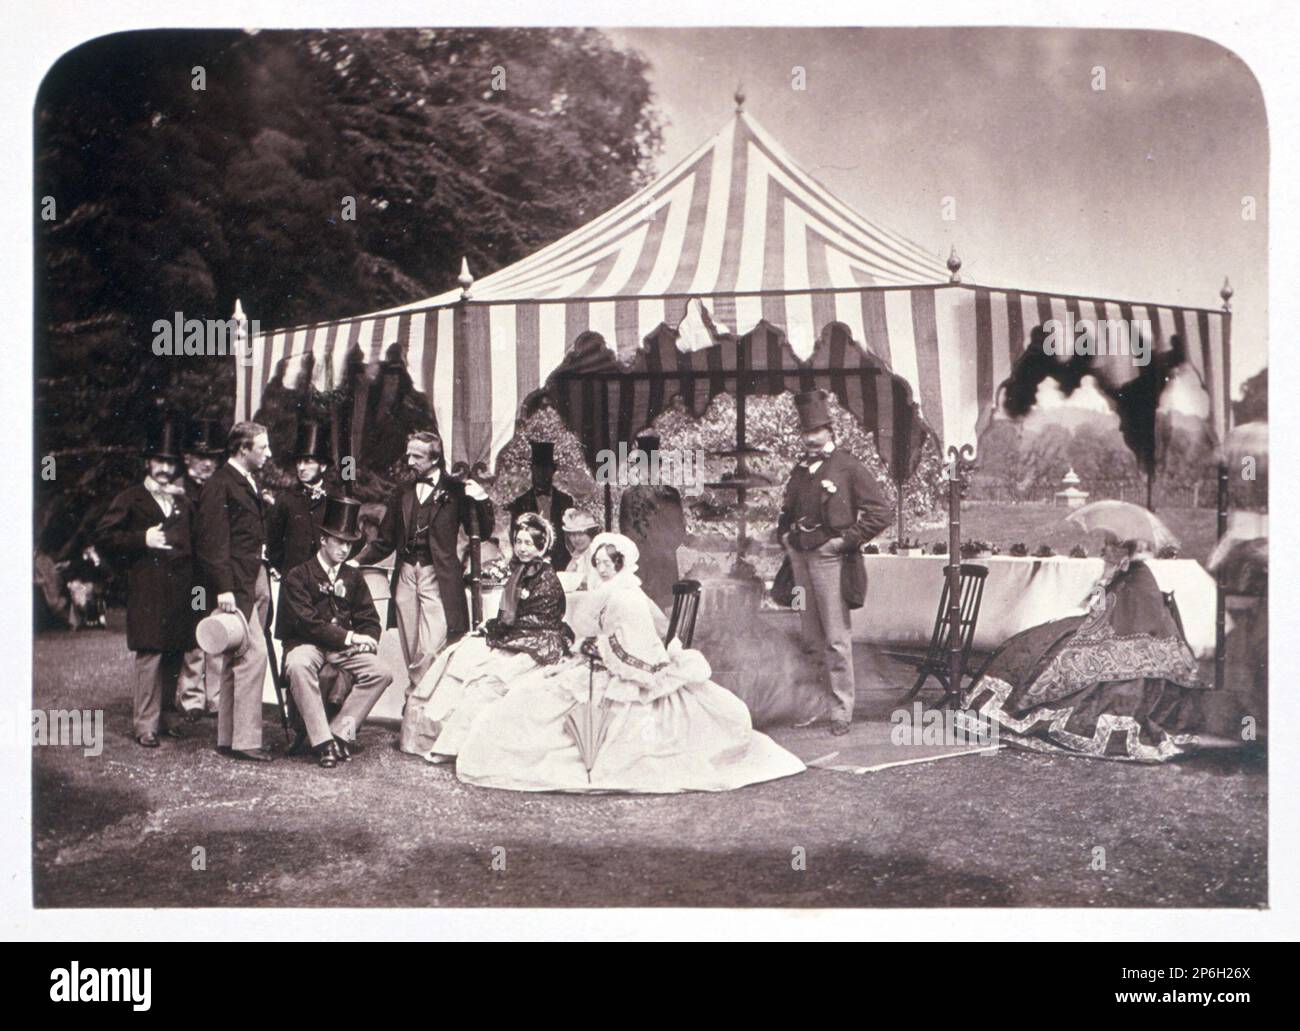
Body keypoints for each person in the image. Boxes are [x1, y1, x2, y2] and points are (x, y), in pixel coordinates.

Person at [453, 533, 806, 793]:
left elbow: (636, 648)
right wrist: (588, 647)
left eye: (609, 563)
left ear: (621, 565)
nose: (603, 568)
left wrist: (598, 649)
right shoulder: (608, 592)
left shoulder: (627, 597)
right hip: (597, 664)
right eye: (599, 563)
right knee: (531, 703)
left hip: (629, 674)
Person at [962, 536, 1223, 762]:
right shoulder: (1122, 572)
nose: (1103, 550)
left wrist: (1095, 616)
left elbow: (1129, 623)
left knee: (1058, 650)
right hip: (1103, 625)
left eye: (1110, 545)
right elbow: (1099, 606)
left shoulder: (1138, 579)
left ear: (1123, 549)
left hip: (1123, 636)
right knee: (1037, 640)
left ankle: (1028, 704)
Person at [401, 512, 574, 763]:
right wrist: (490, 628)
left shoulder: (546, 576)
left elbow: (538, 620)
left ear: (540, 546)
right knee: (458, 656)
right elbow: (508, 615)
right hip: (516, 636)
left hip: (539, 643)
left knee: (488, 683)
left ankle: (453, 746)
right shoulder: (518, 571)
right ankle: (426, 734)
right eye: (519, 541)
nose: (522, 548)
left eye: (528, 543)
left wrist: (498, 632)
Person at [777, 390, 892, 735]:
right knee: (809, 636)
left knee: (836, 639)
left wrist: (842, 542)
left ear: (830, 431)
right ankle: (816, 705)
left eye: (817, 431)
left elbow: (880, 513)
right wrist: (785, 538)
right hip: (800, 558)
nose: (810, 439)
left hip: (830, 560)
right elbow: (787, 510)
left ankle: (841, 710)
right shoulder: (799, 470)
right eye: (805, 432)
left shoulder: (849, 466)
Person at [352, 430, 494, 690]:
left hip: (437, 577)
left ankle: (415, 698)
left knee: (429, 649)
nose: (409, 462)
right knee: (410, 647)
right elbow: (384, 540)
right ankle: (417, 709)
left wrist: (482, 499)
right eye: (409, 455)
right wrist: (355, 562)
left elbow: (483, 532)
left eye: (417, 456)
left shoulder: (455, 491)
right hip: (405, 575)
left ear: (435, 459)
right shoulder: (402, 492)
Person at [93, 416, 195, 747]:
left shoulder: (183, 500)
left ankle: (168, 717)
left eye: (170, 462)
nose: (165, 469)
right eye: (159, 461)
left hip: (180, 589)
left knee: (175, 654)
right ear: (148, 462)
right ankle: (145, 724)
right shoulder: (131, 498)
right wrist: (142, 539)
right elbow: (104, 537)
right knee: (150, 654)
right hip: (148, 588)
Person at [277, 496, 392, 768]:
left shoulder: (353, 577)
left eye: (349, 543)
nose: (344, 549)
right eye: (338, 541)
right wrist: (351, 637)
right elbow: (306, 623)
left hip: (342, 649)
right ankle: (322, 741)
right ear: (323, 540)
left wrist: (369, 641)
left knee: (381, 673)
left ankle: (342, 733)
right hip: (308, 643)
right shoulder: (299, 575)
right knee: (297, 663)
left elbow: (370, 619)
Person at [194, 420, 275, 762]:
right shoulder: (220, 484)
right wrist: (223, 589)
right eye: (263, 447)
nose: (268, 454)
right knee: (252, 656)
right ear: (243, 450)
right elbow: (213, 542)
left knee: (234, 657)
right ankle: (245, 740)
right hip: (236, 584)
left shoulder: (245, 481)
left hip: (251, 576)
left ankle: (228, 737)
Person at [176, 416, 226, 718]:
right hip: (191, 576)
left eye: (211, 457)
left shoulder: (218, 488)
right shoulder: (180, 492)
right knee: (194, 636)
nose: (206, 464)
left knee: (218, 634)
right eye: (200, 457)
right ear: (187, 458)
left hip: (217, 574)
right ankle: (191, 697)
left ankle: (216, 697)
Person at [618, 432, 686, 611]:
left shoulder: (671, 495)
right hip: (639, 566)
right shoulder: (628, 496)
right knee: (639, 612)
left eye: (652, 465)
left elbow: (679, 532)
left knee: (663, 615)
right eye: (644, 465)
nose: (648, 470)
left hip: (664, 565)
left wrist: (660, 547)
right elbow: (626, 532)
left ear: (660, 466)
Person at [266, 419, 333, 578]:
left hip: (326, 581)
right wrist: (287, 570)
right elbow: (273, 542)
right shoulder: (286, 499)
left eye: (308, 461)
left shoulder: (334, 498)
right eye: (299, 462)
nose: (301, 468)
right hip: (293, 582)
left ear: (322, 466)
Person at [506, 441, 574, 569]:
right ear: (532, 470)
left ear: (553, 471)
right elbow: (514, 537)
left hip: (560, 564)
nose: (541, 474)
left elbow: (569, 537)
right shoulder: (520, 503)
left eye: (545, 469)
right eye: (537, 469)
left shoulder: (566, 501)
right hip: (530, 564)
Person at [559, 507, 601, 586]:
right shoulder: (575, 555)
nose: (577, 539)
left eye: (581, 534)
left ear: (591, 534)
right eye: (573, 535)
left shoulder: (595, 555)